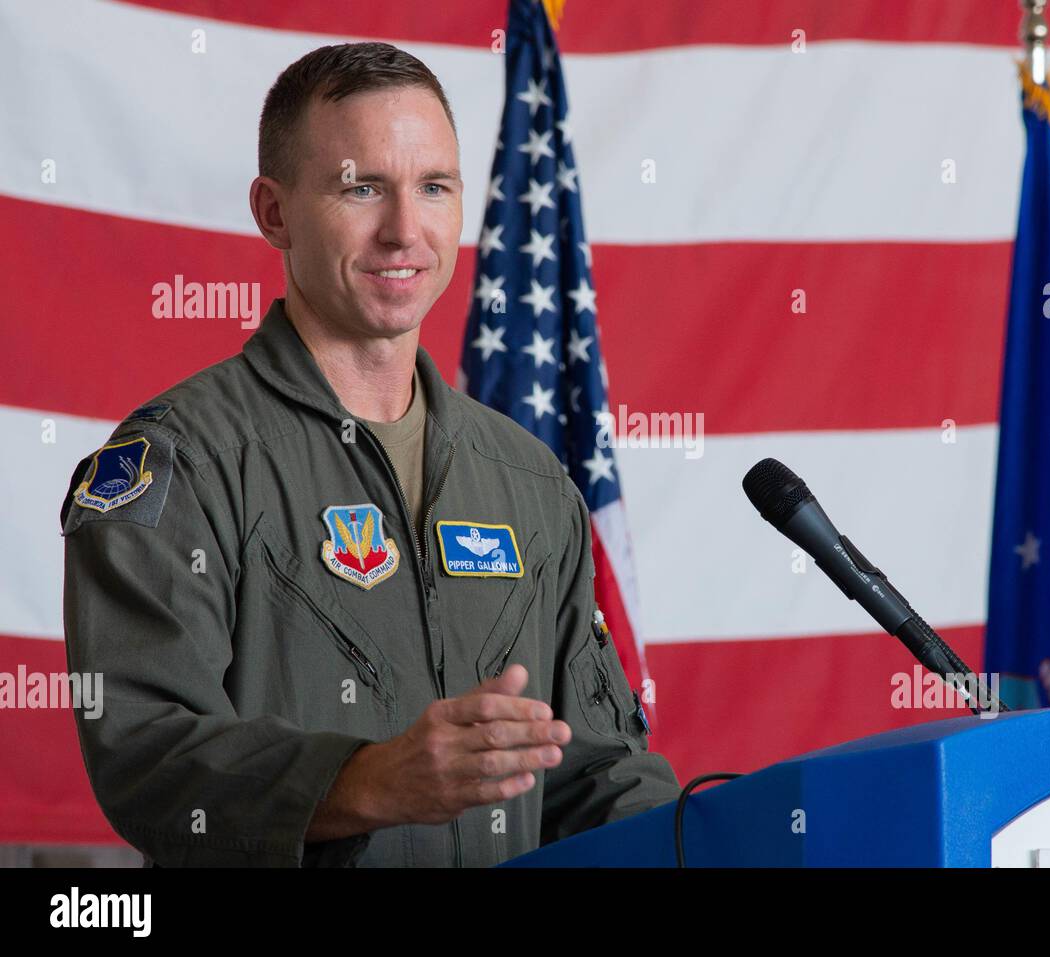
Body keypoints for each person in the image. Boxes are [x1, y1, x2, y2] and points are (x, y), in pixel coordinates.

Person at [60, 41, 679, 867]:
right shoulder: (181, 463)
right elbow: (147, 754)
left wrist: (716, 835)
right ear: (273, 213)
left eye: (433, 187)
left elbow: (594, 771)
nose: (404, 231)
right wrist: (363, 780)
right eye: (361, 187)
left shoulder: (529, 481)